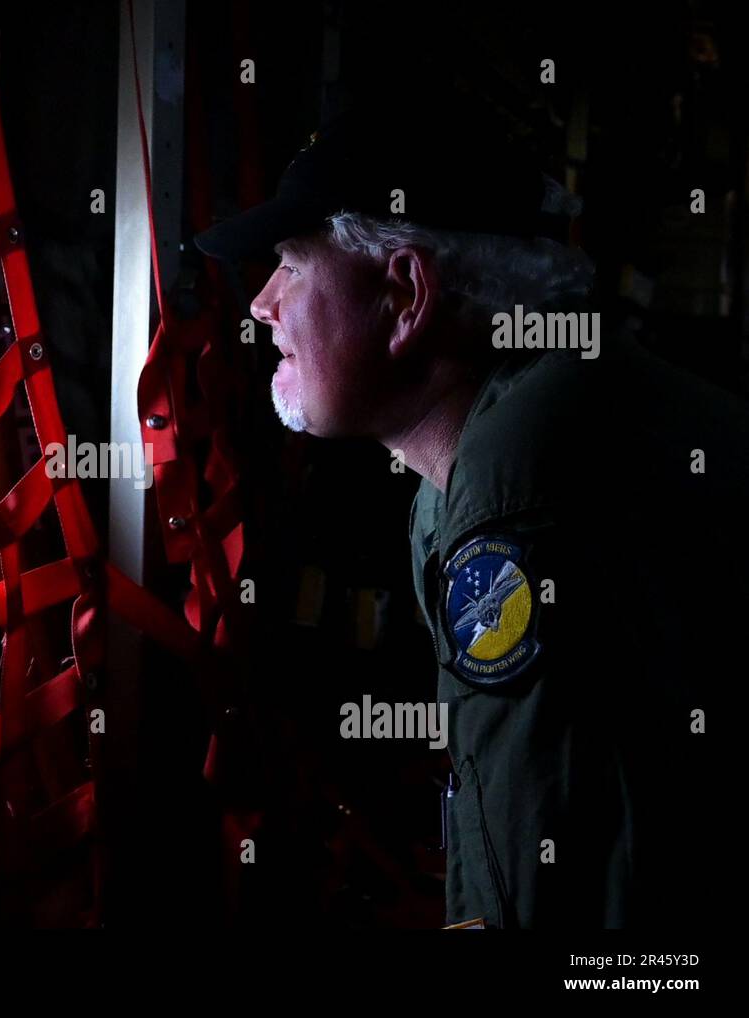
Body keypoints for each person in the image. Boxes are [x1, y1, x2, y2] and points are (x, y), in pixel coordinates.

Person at [195, 106, 746, 928]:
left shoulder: (517, 478)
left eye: (293, 268)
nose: (264, 304)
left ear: (405, 294)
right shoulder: (480, 451)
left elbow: (539, 887)